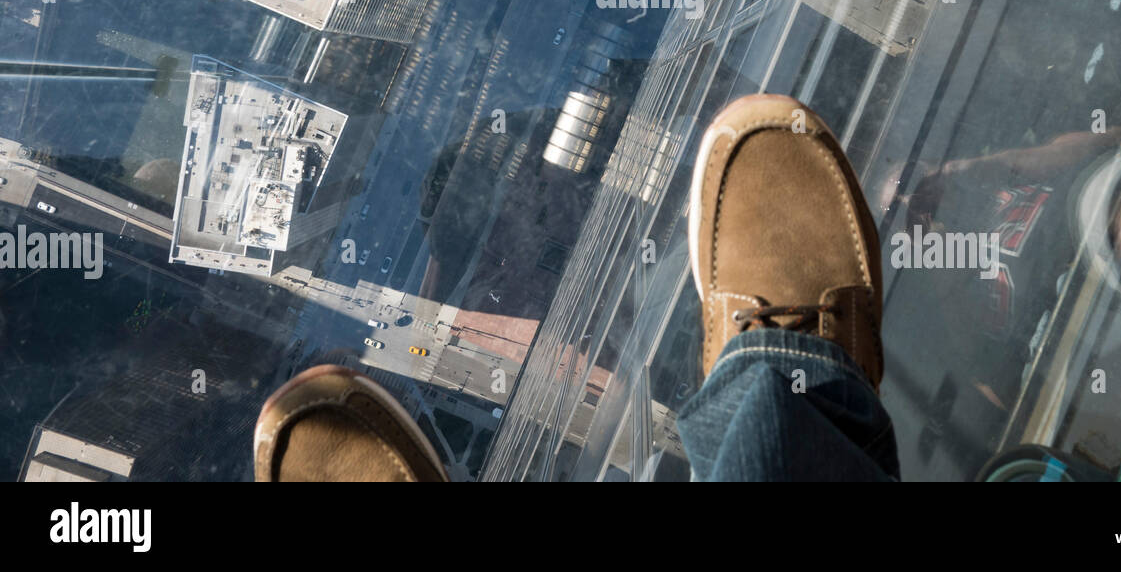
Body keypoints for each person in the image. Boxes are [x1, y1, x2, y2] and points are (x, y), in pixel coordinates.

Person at [253, 93, 900, 482]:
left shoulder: (460, 317)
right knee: (778, 427)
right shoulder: (446, 336)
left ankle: (790, 396)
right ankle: (799, 389)